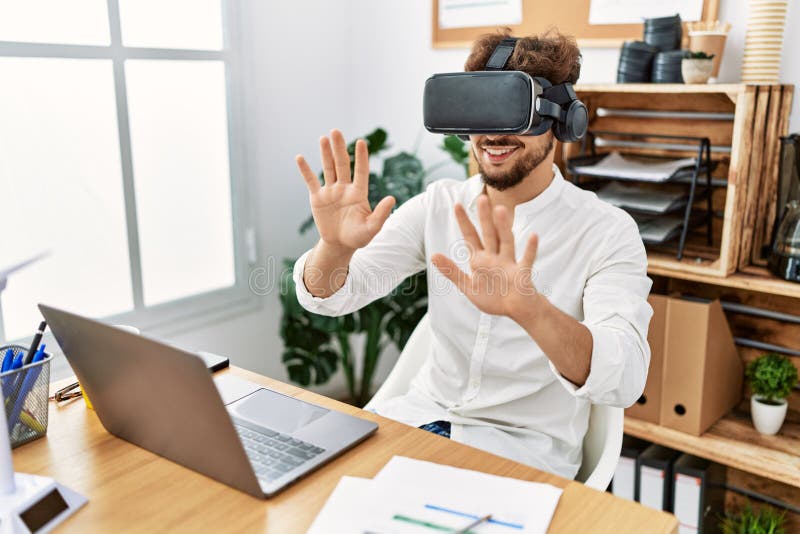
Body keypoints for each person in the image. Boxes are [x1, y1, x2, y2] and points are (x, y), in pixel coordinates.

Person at [291, 30, 652, 479]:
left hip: (520, 453)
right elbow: (331, 296)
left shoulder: (606, 232)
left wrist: (531, 310)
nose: (493, 133)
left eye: (511, 110)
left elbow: (626, 376)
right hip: (415, 420)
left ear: (563, 121)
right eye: (479, 109)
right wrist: (334, 248)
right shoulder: (438, 205)